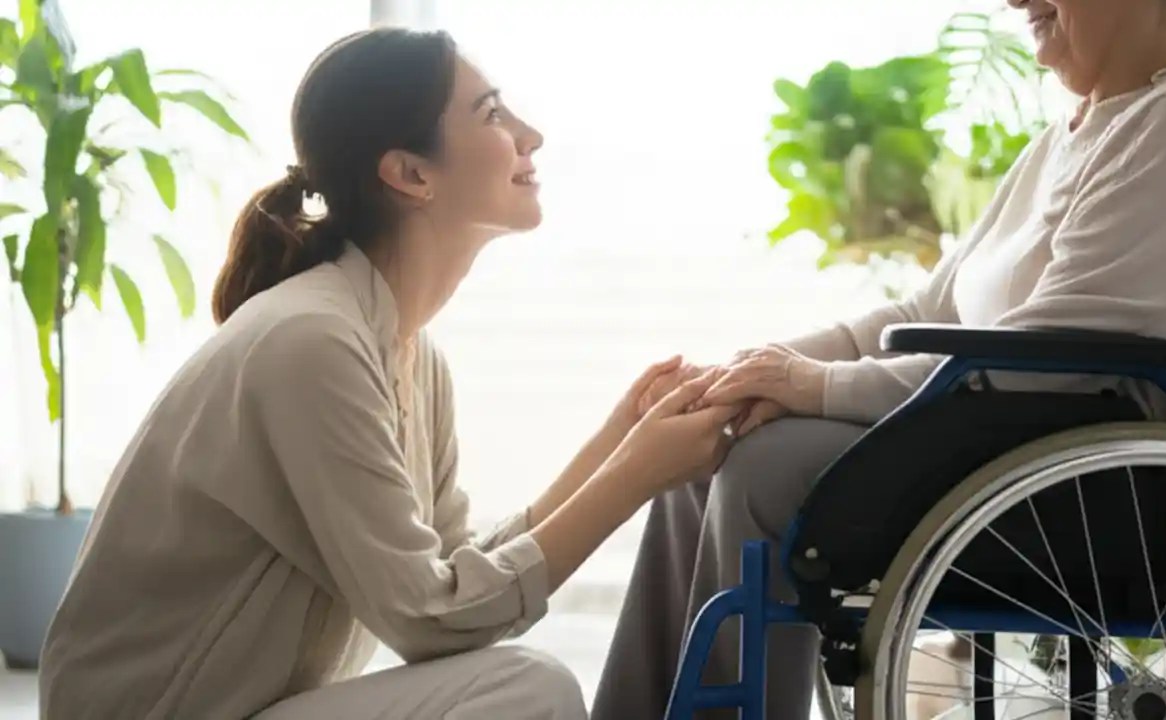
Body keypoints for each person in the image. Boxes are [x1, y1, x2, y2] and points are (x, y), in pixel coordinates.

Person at [38, 28, 744, 720]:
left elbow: (454, 570)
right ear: (410, 174)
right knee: (530, 690)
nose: (531, 135)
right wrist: (635, 475)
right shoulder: (311, 343)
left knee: (523, 685)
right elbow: (432, 618)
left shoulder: (405, 349)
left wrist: (619, 440)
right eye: (493, 114)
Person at [592, 0, 1166, 717]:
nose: (1016, 2)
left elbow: (1057, 360)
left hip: (1069, 478)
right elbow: (923, 315)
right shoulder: (1077, 130)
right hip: (994, 441)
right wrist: (758, 370)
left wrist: (816, 387)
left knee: (761, 465)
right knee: (700, 445)